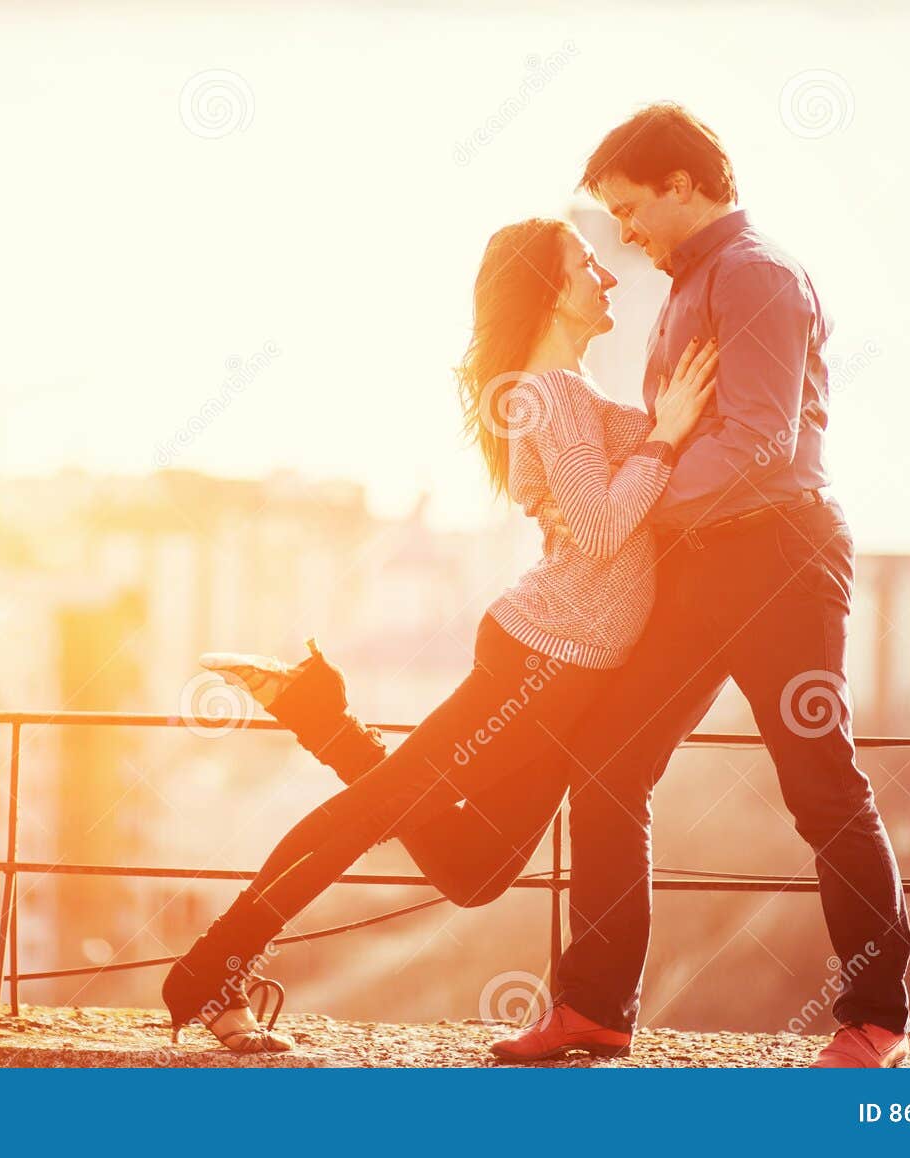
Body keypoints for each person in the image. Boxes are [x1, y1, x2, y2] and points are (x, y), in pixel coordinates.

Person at [162, 217, 718, 1053]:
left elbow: (598, 511)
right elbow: (602, 529)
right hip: (542, 658)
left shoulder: (567, 393)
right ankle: (208, 972)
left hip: (571, 668)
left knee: (474, 871)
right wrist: (669, 434)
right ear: (546, 290)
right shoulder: (550, 392)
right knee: (373, 813)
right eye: (586, 264)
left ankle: (323, 717)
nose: (607, 275)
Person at [488, 102, 910, 1068]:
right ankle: (594, 1010)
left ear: (684, 184)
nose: (623, 233)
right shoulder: (687, 285)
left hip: (780, 561)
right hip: (698, 562)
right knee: (606, 767)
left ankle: (875, 1018)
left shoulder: (755, 274)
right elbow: (661, 434)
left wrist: (637, 506)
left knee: (819, 782)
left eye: (632, 208)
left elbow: (759, 435)